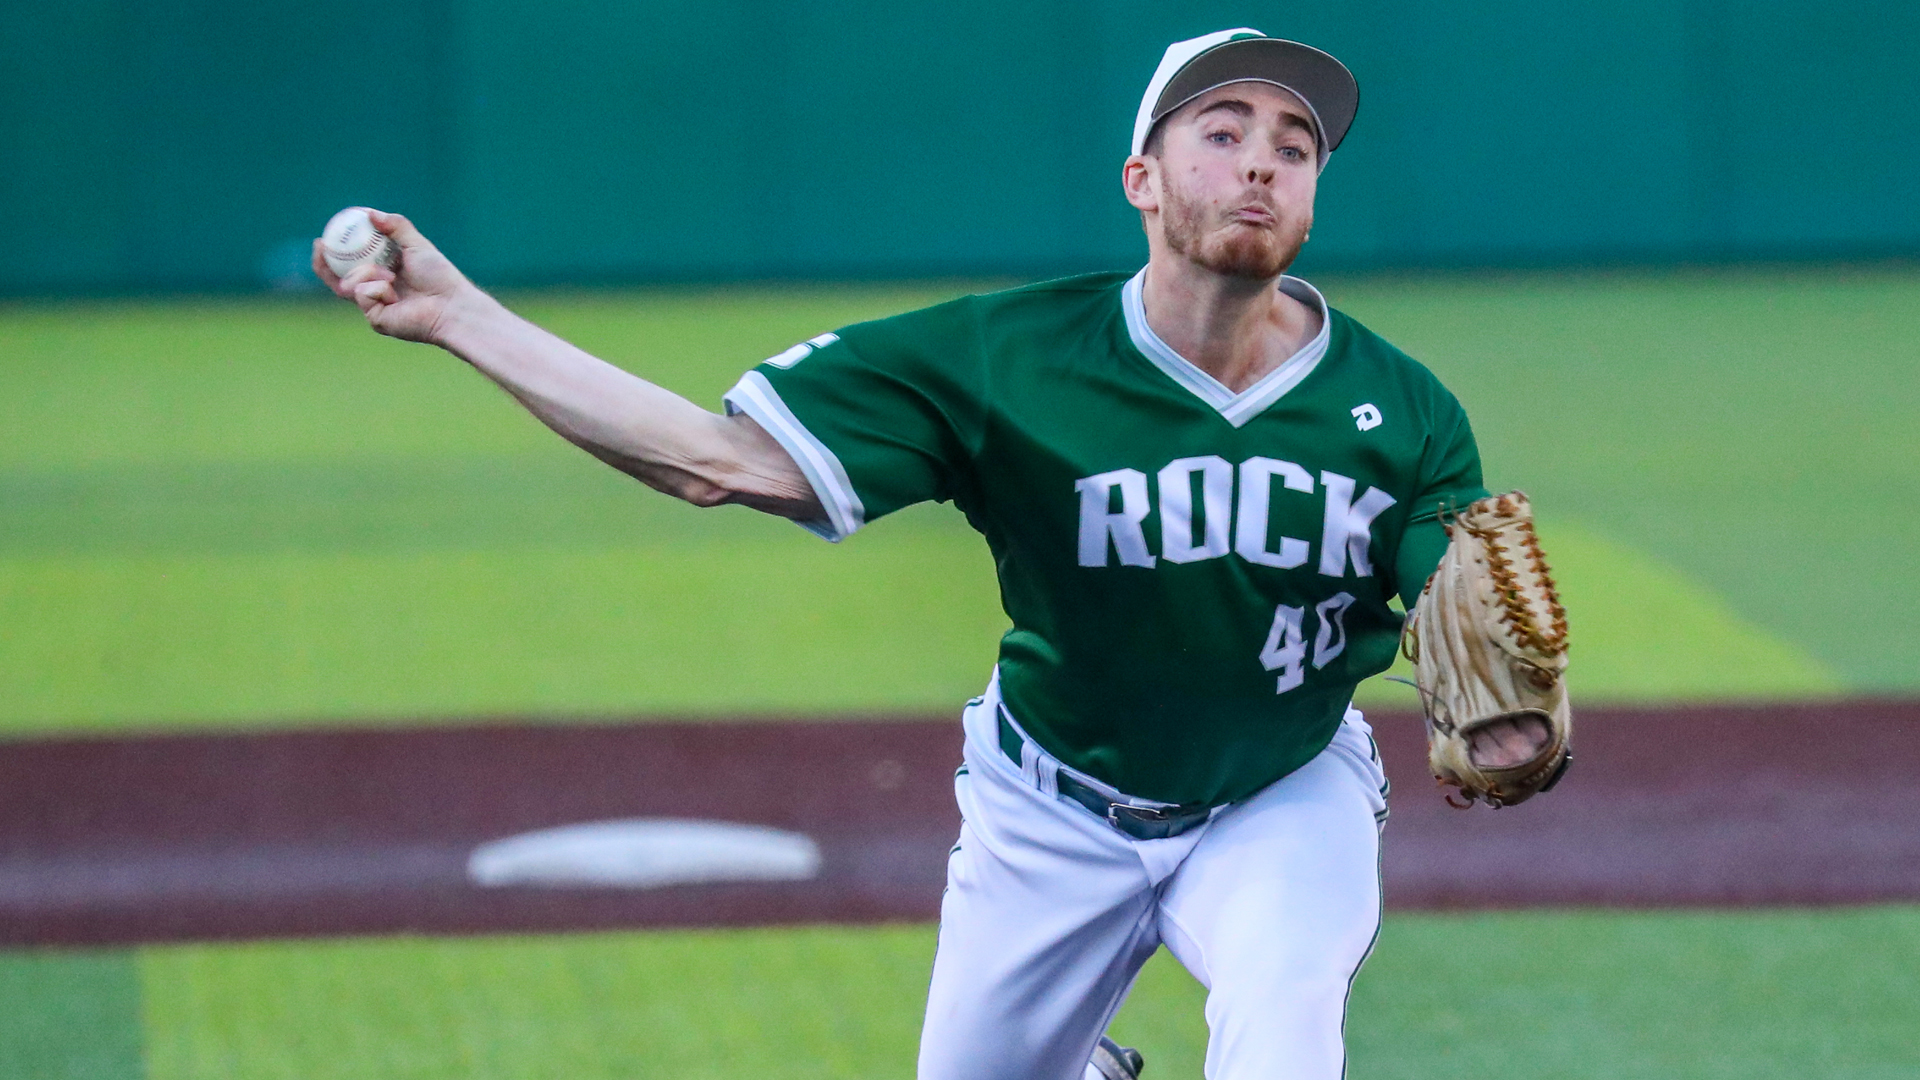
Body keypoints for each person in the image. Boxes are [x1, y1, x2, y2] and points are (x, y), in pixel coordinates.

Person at [318, 28, 1547, 1080]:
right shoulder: (1001, 358)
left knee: (1281, 1038)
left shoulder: (1403, 404)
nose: (1262, 163)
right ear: (1143, 177)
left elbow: (1464, 611)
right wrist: (455, 316)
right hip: (1051, 806)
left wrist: (1513, 719)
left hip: (1280, 791)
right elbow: (715, 460)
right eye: (1222, 131)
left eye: (1296, 145)